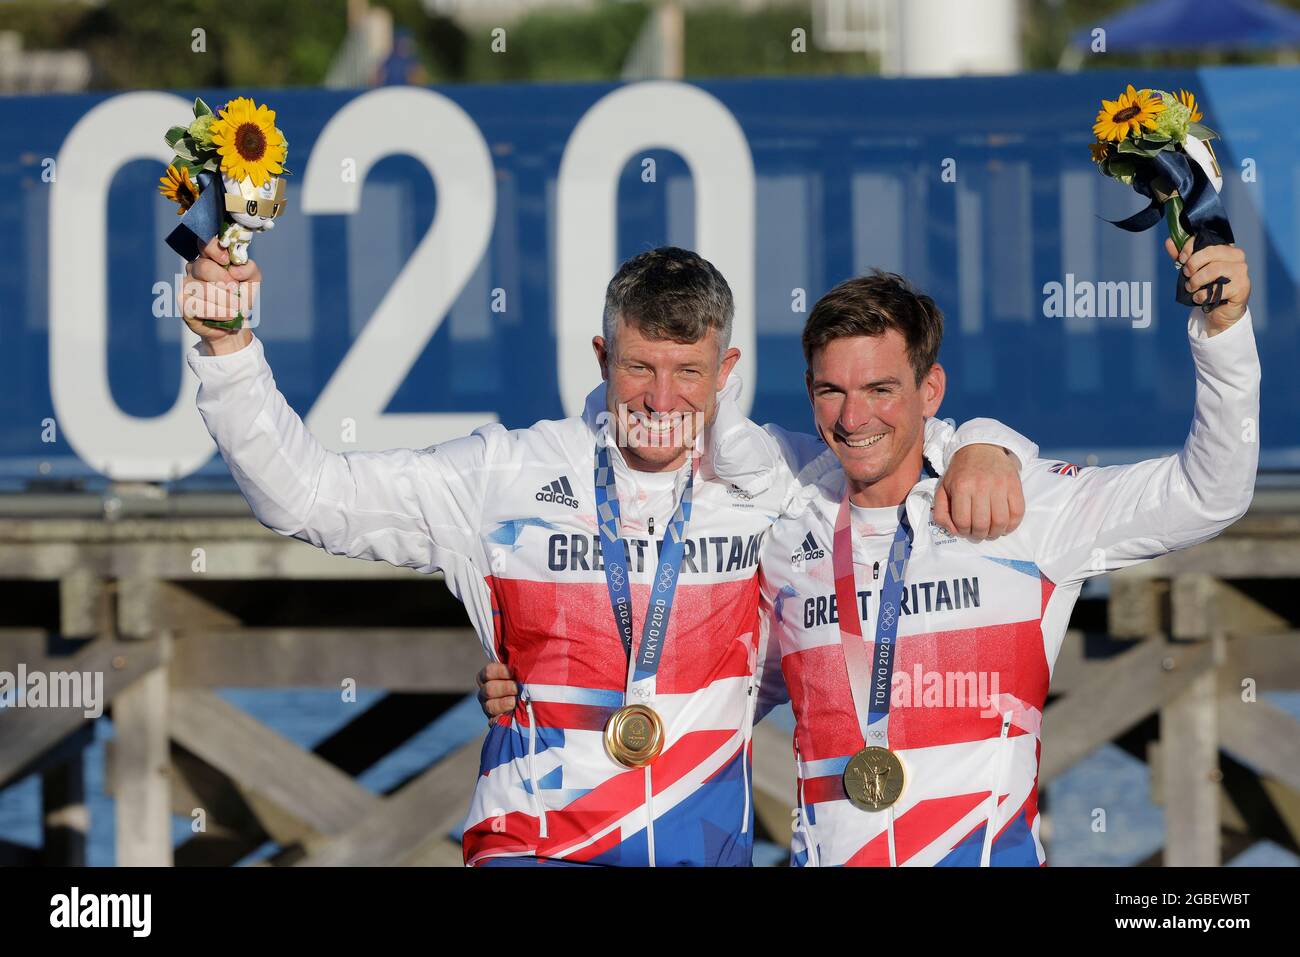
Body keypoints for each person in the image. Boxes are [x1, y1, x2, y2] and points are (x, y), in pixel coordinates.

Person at [180, 240, 1036, 866]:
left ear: (727, 368)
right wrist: (228, 352)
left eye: (689, 373)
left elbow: (886, 437)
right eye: (638, 368)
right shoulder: (503, 476)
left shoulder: (774, 479)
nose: (662, 399)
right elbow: (303, 495)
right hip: (536, 848)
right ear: (602, 355)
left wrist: (986, 444)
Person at [754, 238, 1257, 866]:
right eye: (831, 391)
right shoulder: (785, 540)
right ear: (807, 390)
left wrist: (1224, 332)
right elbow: (709, 698)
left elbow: (1209, 493)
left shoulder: (1023, 511)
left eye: (881, 388)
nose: (854, 418)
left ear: (930, 389)